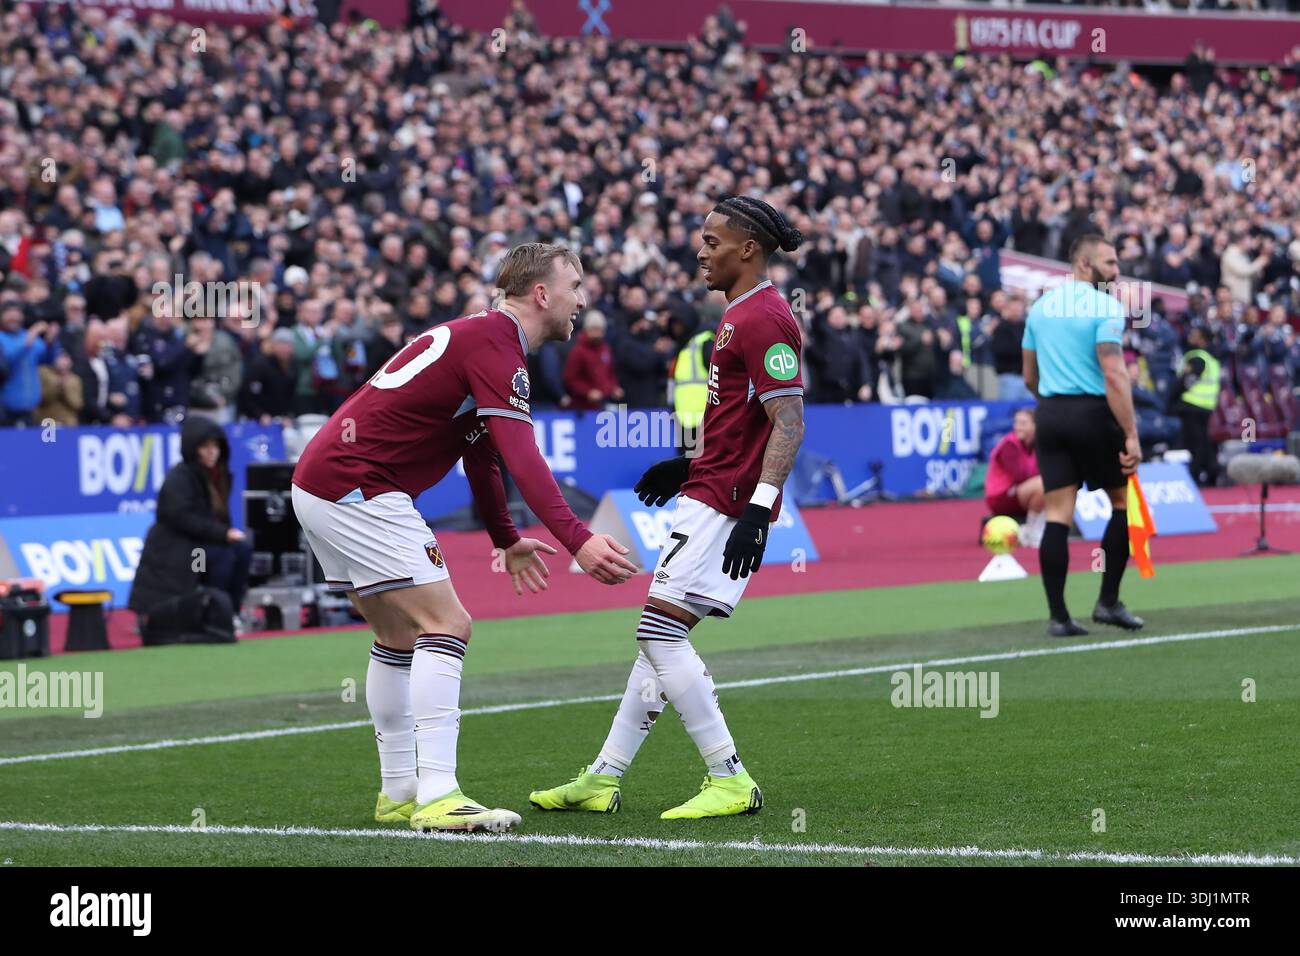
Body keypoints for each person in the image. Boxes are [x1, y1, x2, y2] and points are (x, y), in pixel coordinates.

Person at [290, 243, 639, 833]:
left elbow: (482, 452)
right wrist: (579, 540)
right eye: (575, 286)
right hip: (360, 485)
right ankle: (439, 794)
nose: (583, 299)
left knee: (397, 632)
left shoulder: (481, 340)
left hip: (322, 482)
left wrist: (505, 537)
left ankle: (400, 791)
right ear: (542, 294)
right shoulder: (498, 350)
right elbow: (525, 460)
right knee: (447, 625)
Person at [529, 195, 806, 821]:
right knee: (660, 639)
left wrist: (760, 510)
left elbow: (788, 421)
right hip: (711, 484)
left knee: (657, 631)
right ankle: (603, 778)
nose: (700, 251)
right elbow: (745, 418)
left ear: (748, 249)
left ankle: (728, 776)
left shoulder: (765, 317)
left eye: (712, 241)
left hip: (729, 500)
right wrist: (688, 463)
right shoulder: (738, 315)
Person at [1022, 234, 1144, 637]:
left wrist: (1054, 404)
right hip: (1093, 413)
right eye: (1109, 263)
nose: (1116, 271)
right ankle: (1108, 602)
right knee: (1123, 502)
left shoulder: (1039, 308)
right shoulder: (1106, 306)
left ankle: (1058, 617)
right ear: (1084, 264)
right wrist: (1130, 432)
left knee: (1058, 514)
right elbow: (1114, 374)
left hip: (1051, 415)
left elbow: (1029, 376)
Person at [129, 416, 249, 643]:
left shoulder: (220, 476)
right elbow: (180, 518)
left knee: (242, 550)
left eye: (216, 446)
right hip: (180, 548)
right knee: (220, 558)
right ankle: (210, 612)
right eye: (205, 447)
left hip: (201, 540)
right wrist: (222, 534)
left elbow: (220, 517)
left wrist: (226, 534)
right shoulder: (180, 477)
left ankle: (230, 612)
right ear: (193, 448)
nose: (212, 452)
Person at [984, 407, 1044, 529]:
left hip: (1021, 493)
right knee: (1043, 484)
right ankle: (1032, 530)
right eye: (1016, 423)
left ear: (1035, 426)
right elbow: (1020, 476)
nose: (1018, 427)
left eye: (1023, 424)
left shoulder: (1038, 445)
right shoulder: (1009, 445)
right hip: (1001, 497)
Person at [562, 309, 623, 411]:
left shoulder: (606, 349)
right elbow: (570, 379)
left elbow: (610, 373)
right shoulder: (578, 351)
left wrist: (614, 387)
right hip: (583, 407)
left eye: (600, 330)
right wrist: (588, 392)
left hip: (605, 403)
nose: (597, 333)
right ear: (586, 330)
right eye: (594, 329)